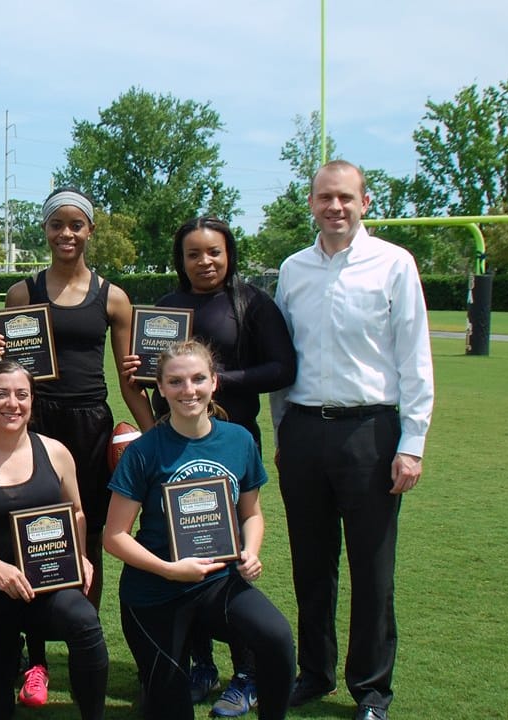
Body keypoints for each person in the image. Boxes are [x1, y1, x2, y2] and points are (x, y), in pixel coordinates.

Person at [271, 160, 434, 720]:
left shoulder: (394, 263)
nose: (334, 207)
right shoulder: (293, 269)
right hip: (304, 430)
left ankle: (371, 689)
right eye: (324, 197)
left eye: (345, 197)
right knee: (310, 565)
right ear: (311, 203)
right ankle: (314, 672)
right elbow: (285, 358)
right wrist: (282, 431)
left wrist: (412, 442)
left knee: (372, 569)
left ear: (365, 202)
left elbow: (415, 358)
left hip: (371, 432)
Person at [0, 186, 154, 707]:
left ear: (90, 230)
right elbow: (6, 371)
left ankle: (85, 644)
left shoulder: (114, 296)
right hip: (37, 422)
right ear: (45, 229)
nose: (66, 233)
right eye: (57, 224)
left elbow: (129, 379)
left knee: (89, 537)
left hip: (90, 426)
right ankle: (35, 662)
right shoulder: (22, 292)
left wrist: (155, 435)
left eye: (76, 224)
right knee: (31, 534)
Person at [121, 216, 296, 716]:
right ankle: (200, 664)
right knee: (180, 541)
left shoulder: (251, 302)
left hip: (229, 439)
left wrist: (216, 381)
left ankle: (246, 672)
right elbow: (150, 378)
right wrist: (141, 380)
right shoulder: (165, 307)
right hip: (170, 445)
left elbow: (282, 367)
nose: (205, 261)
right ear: (181, 259)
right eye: (193, 253)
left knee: (224, 549)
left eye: (214, 252)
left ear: (229, 253)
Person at [103, 340, 295, 720]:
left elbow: (252, 514)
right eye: (175, 381)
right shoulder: (144, 450)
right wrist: (169, 569)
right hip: (155, 591)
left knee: (276, 638)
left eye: (197, 379)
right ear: (160, 388)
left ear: (214, 382)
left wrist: (251, 551)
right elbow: (114, 536)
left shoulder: (239, 440)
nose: (188, 390)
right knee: (171, 707)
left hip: (216, 582)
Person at [0, 360, 109, 719]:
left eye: (21, 394)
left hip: (47, 590)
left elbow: (77, 512)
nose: (12, 403)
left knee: (84, 622)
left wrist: (80, 555)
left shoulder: (56, 452)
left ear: (32, 401)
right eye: (1, 394)